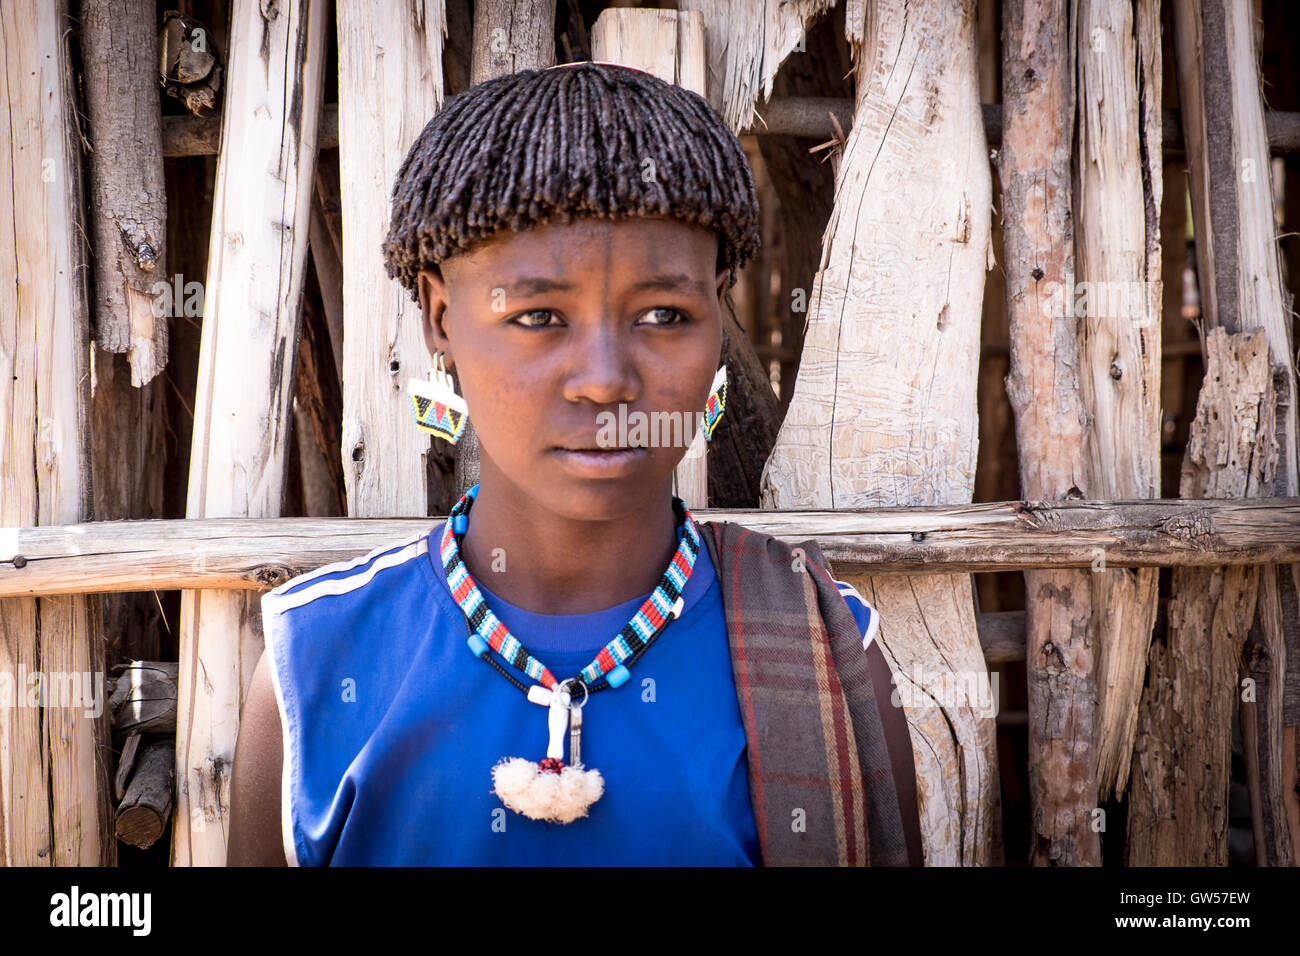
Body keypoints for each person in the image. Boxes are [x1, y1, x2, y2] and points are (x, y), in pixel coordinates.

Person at [227, 61, 921, 866]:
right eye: (538, 316)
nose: (605, 378)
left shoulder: (826, 657)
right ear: (441, 317)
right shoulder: (315, 669)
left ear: (718, 311)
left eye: (665, 314)